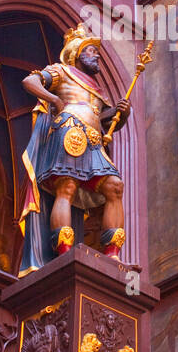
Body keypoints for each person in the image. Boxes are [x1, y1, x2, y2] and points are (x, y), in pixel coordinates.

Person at [17, 23, 130, 276]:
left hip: (93, 139)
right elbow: (30, 81)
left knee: (114, 186)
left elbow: (106, 121)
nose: (96, 55)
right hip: (70, 131)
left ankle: (112, 254)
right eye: (91, 51)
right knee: (66, 187)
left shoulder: (97, 91)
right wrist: (55, 100)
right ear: (76, 54)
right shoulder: (61, 72)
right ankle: (64, 251)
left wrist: (122, 113)